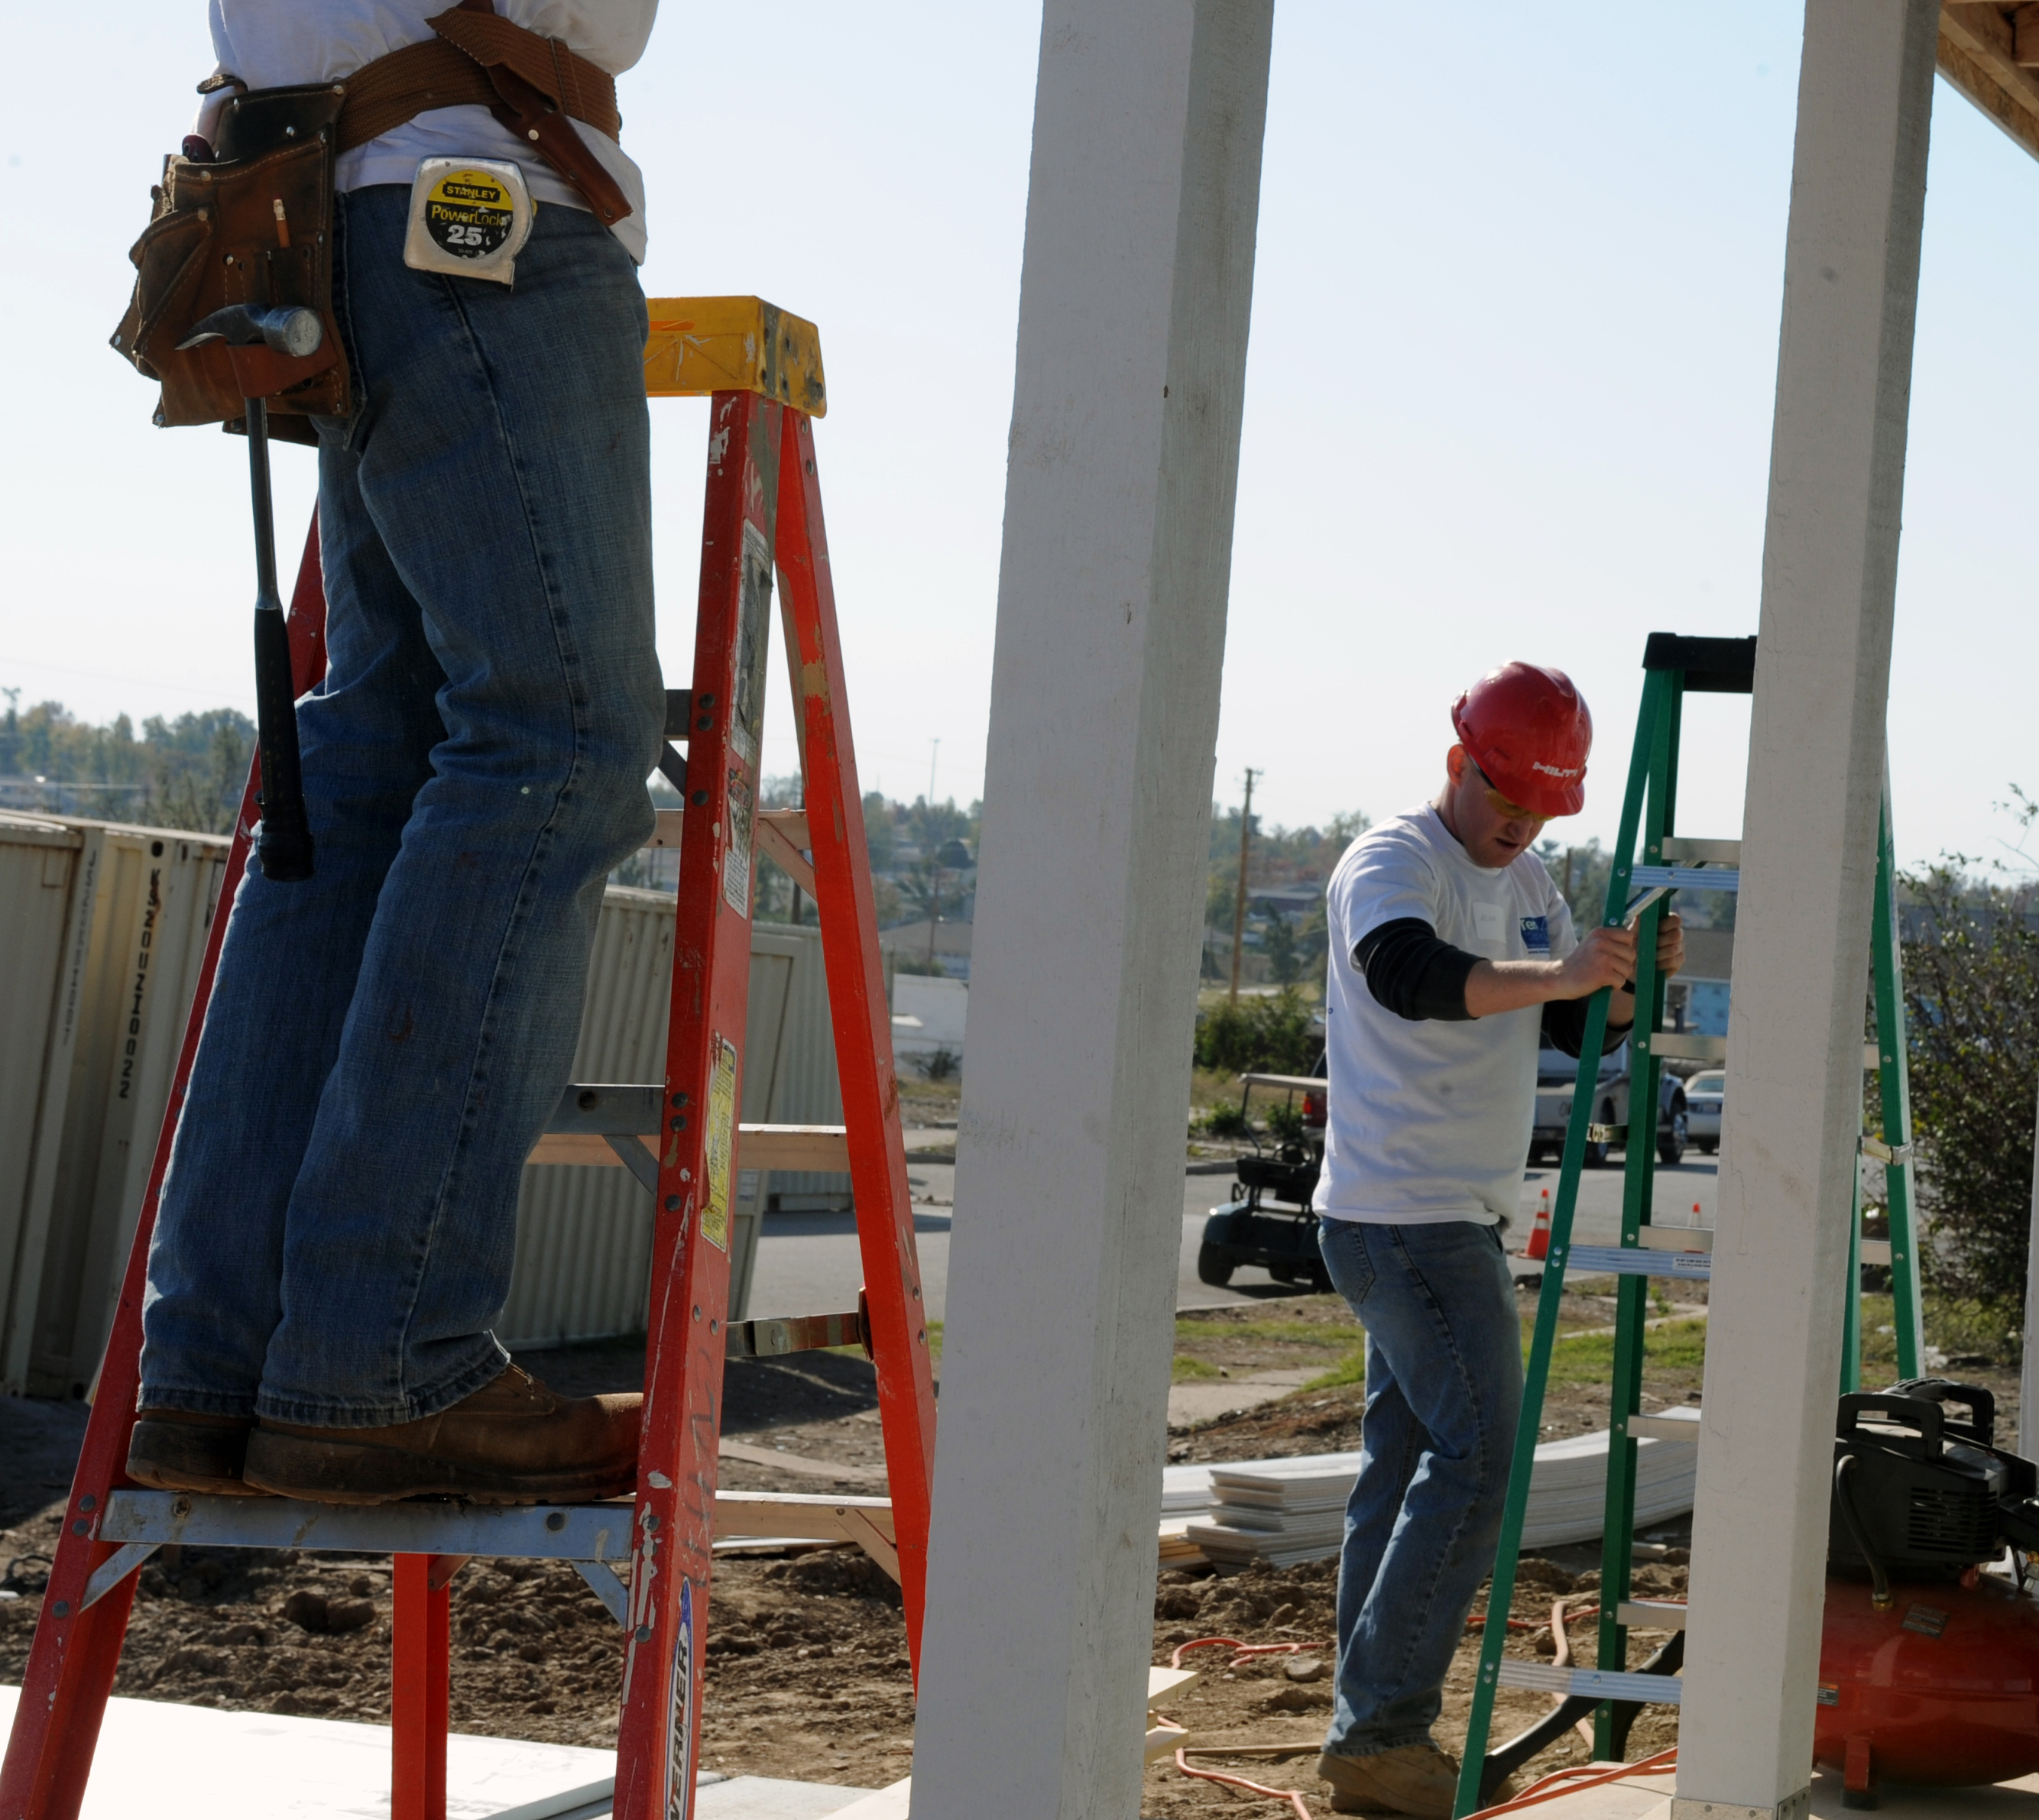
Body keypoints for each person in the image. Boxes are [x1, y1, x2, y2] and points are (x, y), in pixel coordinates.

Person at [127, 1, 663, 1505]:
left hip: (328, 213)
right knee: (555, 741)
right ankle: (383, 1354)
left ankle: (222, 1363)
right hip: (476, 205)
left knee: (368, 764)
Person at [1310, 663, 1684, 1818]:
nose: (1519, 824)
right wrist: (1561, 972)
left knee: (1403, 1469)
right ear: (1457, 762)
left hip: (1445, 1215)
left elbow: (1566, 1022)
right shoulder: (1393, 861)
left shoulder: (1528, 883)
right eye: (1505, 798)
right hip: (1402, 1216)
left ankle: (1366, 1730)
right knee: (1482, 1461)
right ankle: (1380, 1732)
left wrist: (1617, 987)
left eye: (1540, 809)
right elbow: (1409, 976)